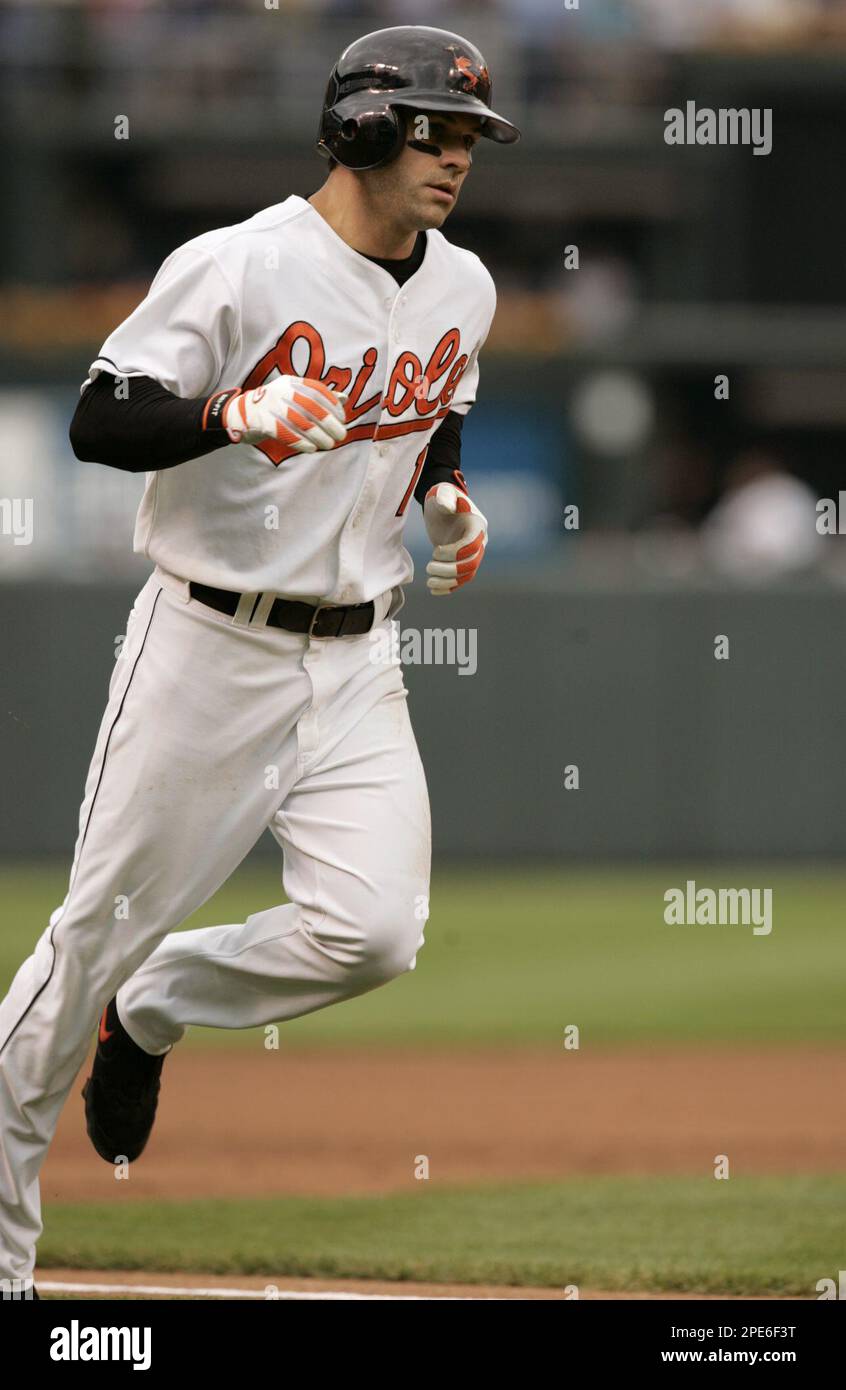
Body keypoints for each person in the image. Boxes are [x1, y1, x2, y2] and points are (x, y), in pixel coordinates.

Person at [0, 24, 518, 1298]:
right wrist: (228, 414)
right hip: (209, 647)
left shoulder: (467, 287)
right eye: (432, 128)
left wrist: (447, 500)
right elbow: (99, 416)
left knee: (375, 931)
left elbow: (433, 420)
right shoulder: (239, 265)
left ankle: (157, 1009)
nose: (455, 156)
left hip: (357, 659)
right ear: (359, 128)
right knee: (79, 960)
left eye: (468, 137)